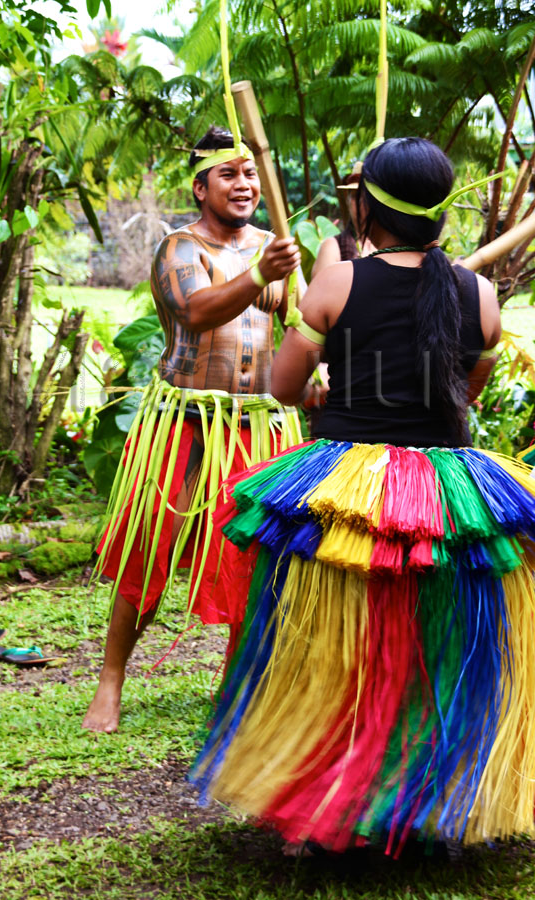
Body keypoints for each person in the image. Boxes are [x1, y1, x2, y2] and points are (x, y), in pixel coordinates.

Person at [190, 137, 535, 854]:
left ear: (368, 208)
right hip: (447, 492)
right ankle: (430, 808)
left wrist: (330, 378)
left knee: (337, 654)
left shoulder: (337, 283)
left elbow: (285, 387)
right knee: (434, 654)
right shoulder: (479, 294)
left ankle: (328, 807)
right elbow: (465, 392)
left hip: (350, 492)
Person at [83, 125, 303, 733]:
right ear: (201, 187)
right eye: (228, 174)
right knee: (149, 549)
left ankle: (236, 689)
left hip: (258, 424)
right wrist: (260, 276)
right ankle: (111, 680)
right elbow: (199, 312)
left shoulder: (271, 245)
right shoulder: (179, 249)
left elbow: (296, 321)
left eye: (250, 173)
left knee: (252, 557)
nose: (244, 184)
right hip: (185, 423)